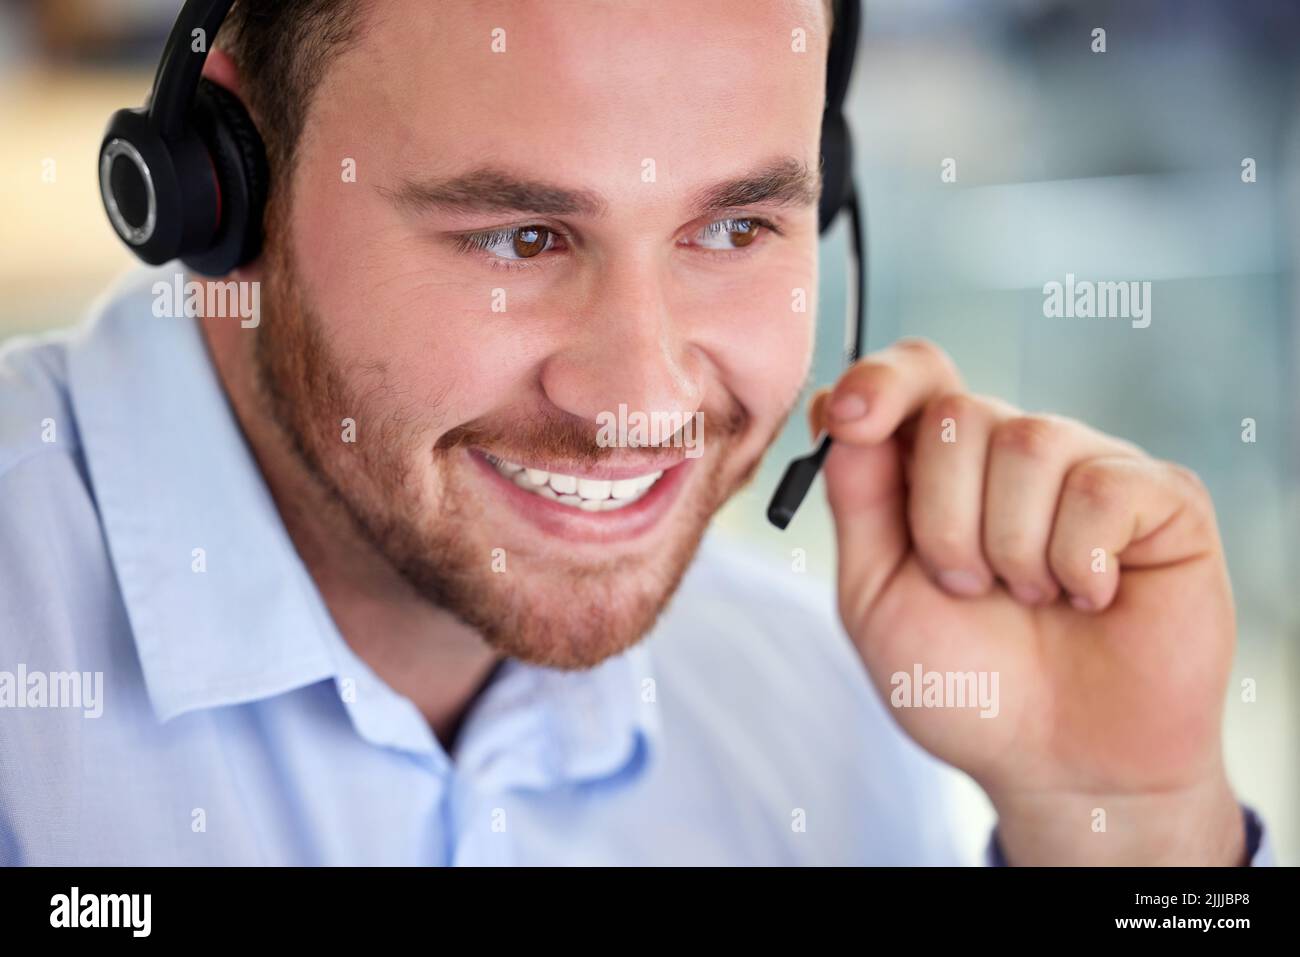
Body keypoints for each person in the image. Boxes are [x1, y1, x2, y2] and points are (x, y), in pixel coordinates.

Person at [0, 0, 1271, 865]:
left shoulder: (836, 717)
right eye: (517, 239)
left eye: (734, 230)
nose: (641, 404)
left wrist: (1132, 828)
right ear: (223, 179)